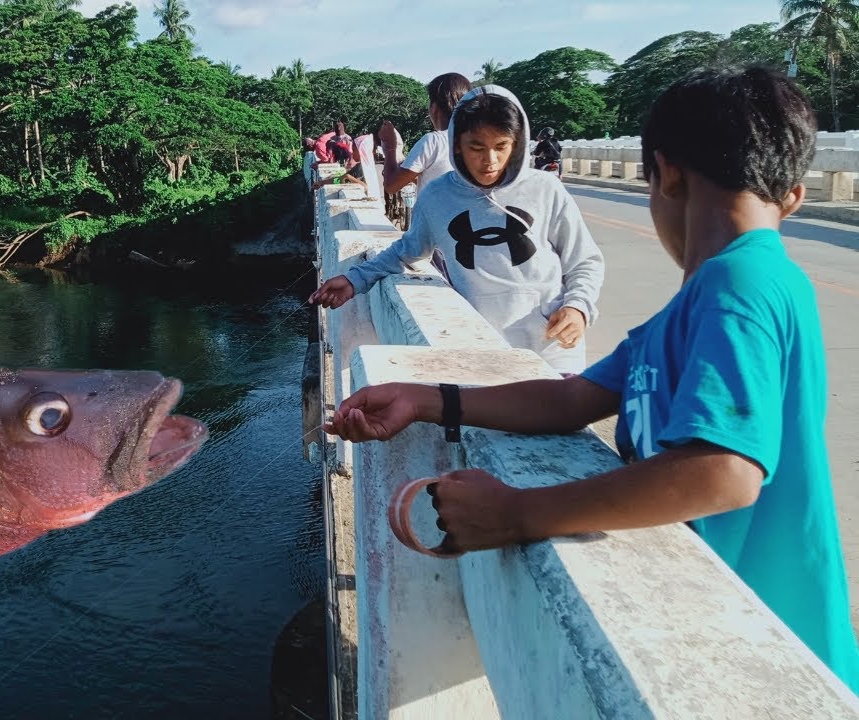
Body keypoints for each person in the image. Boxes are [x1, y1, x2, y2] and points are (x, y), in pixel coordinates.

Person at [324, 66, 859, 692]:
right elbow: (572, 399)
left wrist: (518, 513)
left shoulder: (741, 283)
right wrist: (425, 399)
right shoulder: (693, 306)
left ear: (665, 174)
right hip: (723, 625)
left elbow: (723, 472)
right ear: (793, 196)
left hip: (772, 649)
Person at [311, 85, 605, 375]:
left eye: (501, 146)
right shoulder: (437, 196)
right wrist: (354, 279)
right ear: (456, 145)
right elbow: (406, 252)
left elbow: (584, 260)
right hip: (480, 352)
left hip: (554, 352)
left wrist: (578, 307)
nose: (490, 161)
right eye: (476, 148)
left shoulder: (545, 188)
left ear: (517, 143)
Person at [381, 73, 474, 198]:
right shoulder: (475, 142)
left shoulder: (433, 141)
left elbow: (391, 186)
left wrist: (390, 147)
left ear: (434, 108)